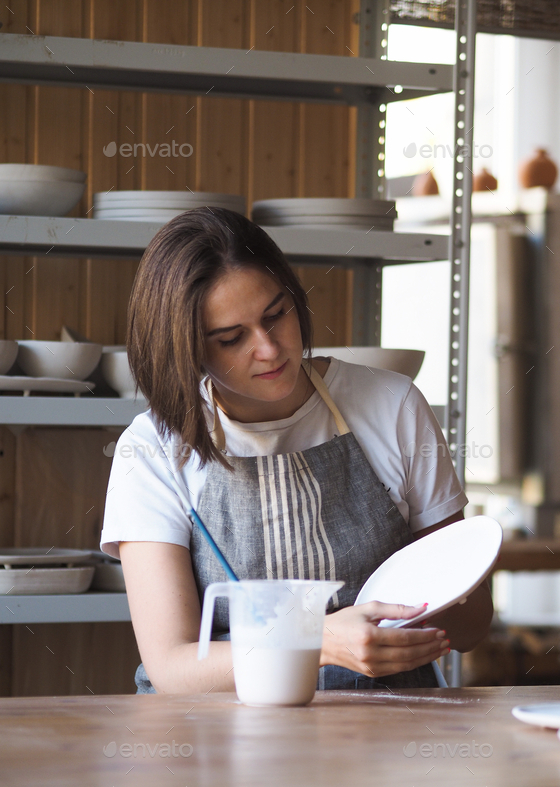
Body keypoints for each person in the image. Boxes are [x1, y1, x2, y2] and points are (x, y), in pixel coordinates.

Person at [100, 207, 493, 695]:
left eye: (276, 315)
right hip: (216, 740)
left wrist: (434, 609)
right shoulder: (154, 447)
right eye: (231, 338)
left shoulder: (392, 406)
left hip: (387, 732)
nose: (269, 348)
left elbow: (473, 624)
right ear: (186, 349)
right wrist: (320, 641)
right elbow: (173, 664)